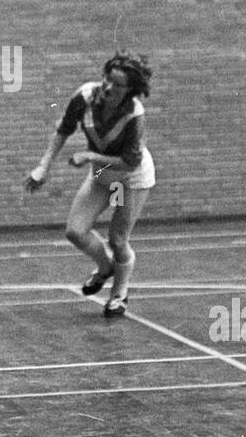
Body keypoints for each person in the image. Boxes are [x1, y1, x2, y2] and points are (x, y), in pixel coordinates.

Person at [24, 52, 155, 317]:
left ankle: (119, 294)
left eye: (117, 85)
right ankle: (105, 267)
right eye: (107, 79)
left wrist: (90, 156)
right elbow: (63, 130)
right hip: (103, 172)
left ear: (130, 90)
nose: (108, 87)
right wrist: (43, 167)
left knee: (118, 239)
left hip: (130, 177)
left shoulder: (134, 114)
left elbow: (129, 162)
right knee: (75, 230)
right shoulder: (85, 96)